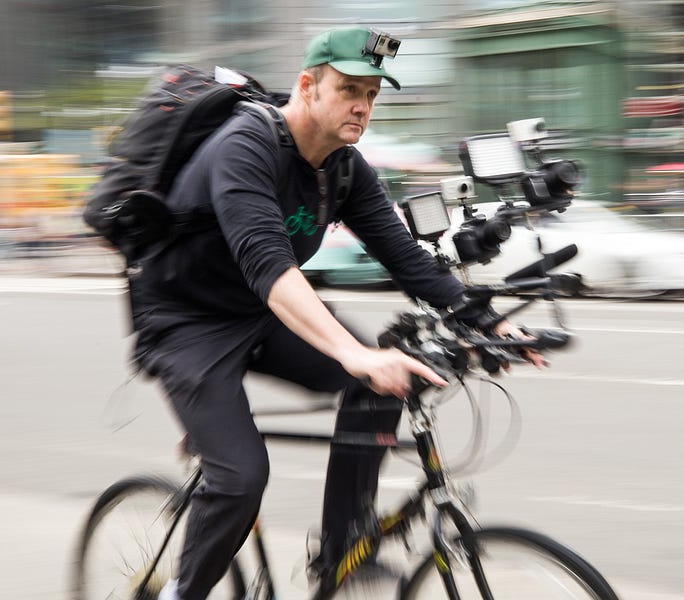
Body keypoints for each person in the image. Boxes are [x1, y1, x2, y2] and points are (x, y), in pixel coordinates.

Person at [129, 27, 525, 600]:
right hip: (185, 325)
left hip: (259, 316)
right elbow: (271, 268)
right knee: (241, 480)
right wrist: (355, 353)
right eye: (348, 90)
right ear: (308, 86)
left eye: (371, 93)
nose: (362, 106)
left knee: (391, 383)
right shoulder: (246, 147)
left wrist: (491, 324)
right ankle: (181, 592)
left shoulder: (343, 168)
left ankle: (340, 554)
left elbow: (408, 260)